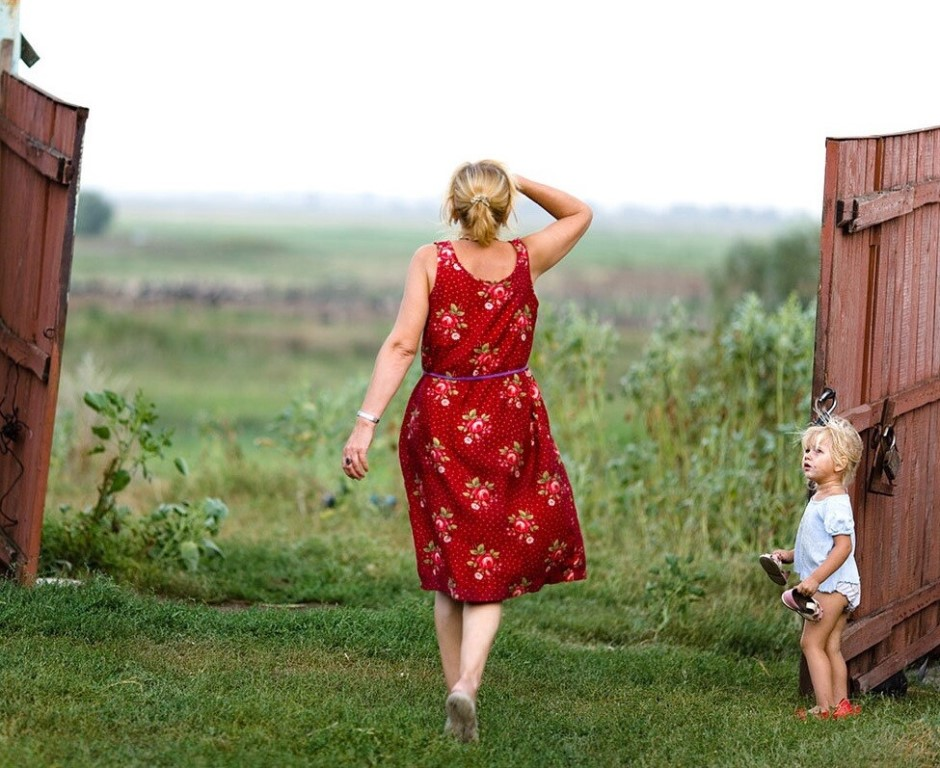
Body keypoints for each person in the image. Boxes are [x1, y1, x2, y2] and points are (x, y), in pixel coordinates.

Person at [341, 160, 592, 742]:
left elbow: (403, 344)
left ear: (452, 205)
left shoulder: (431, 260)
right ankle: (467, 689)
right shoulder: (527, 259)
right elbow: (581, 213)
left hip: (441, 420)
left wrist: (364, 423)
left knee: (452, 564)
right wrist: (521, 181)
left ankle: (456, 700)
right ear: (505, 208)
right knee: (491, 566)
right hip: (508, 416)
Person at [760, 414, 864, 720]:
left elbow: (844, 547)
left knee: (811, 643)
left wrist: (815, 580)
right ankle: (841, 705)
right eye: (807, 450)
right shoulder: (822, 496)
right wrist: (790, 555)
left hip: (831, 585)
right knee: (831, 646)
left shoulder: (834, 502)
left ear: (841, 463)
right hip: (838, 584)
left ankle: (823, 708)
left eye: (819, 451)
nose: (808, 455)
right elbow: (817, 545)